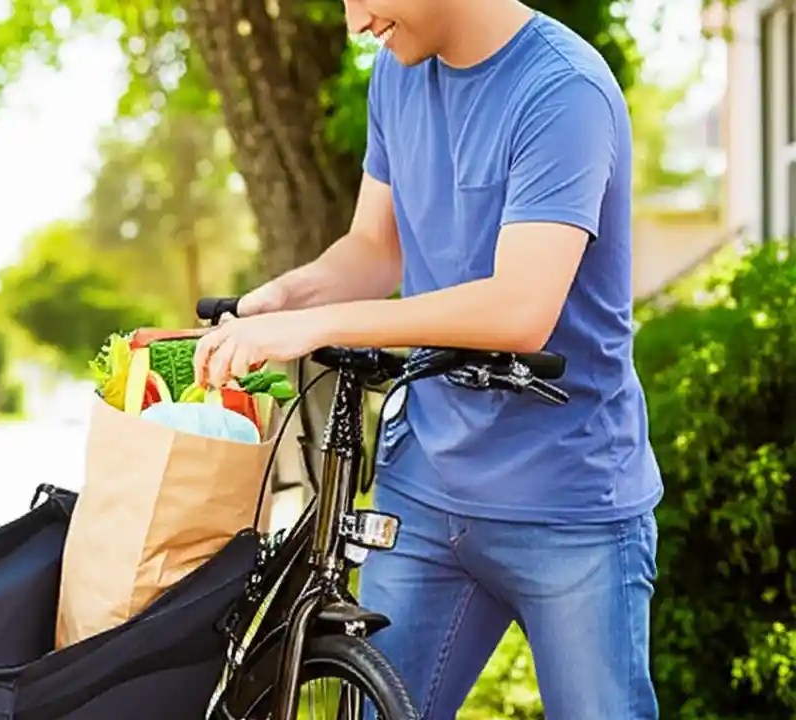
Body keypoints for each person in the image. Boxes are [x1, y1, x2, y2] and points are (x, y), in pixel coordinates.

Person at [192, 0, 662, 717]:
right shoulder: (398, 72)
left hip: (568, 505)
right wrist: (287, 300)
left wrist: (321, 323)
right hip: (427, 491)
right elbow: (375, 250)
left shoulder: (564, 90)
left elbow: (519, 309)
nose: (354, 23)